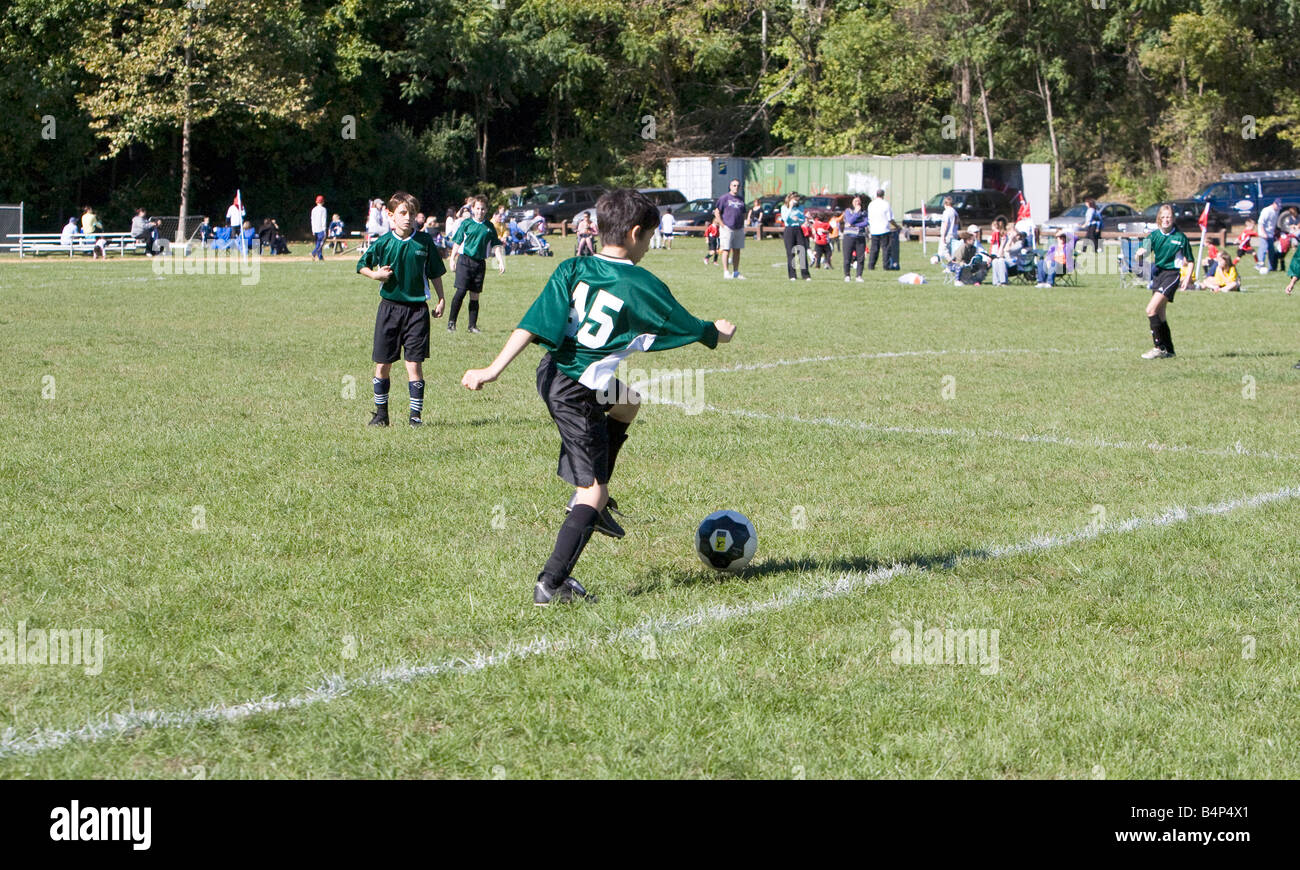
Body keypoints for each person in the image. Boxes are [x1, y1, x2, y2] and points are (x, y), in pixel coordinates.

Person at [460, 188, 736, 606]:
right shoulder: (642, 284)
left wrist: (492, 370)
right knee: (593, 491)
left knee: (628, 402)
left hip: (552, 372)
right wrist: (717, 330)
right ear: (635, 233)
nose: (647, 248)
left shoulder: (572, 267)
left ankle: (594, 502)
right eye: (648, 240)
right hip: (577, 390)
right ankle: (551, 583)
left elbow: (533, 323)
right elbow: (687, 325)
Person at [356, 191, 447, 427]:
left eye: (412, 213)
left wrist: (441, 298)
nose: (408, 218)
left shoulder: (425, 242)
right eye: (403, 213)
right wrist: (376, 274)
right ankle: (381, 415)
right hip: (389, 309)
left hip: (417, 311)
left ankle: (415, 418)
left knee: (414, 365)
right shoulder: (384, 242)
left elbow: (435, 273)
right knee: (383, 364)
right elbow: (361, 265)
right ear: (390, 215)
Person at [1136, 203, 1193, 360]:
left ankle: (1159, 347)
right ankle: (1169, 350)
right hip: (1159, 275)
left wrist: (1187, 278)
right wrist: (1140, 254)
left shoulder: (1180, 237)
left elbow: (1191, 260)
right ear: (1159, 219)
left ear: (1173, 219)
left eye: (1169, 217)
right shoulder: (1154, 235)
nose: (1166, 220)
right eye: (1163, 217)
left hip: (1172, 275)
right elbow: (1143, 252)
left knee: (1150, 310)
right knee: (1160, 313)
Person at [446, 195, 505, 334]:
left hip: (479, 263)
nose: (480, 211)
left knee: (475, 295)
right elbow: (457, 242)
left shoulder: (489, 227)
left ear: (487, 210)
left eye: (483, 209)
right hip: (465, 261)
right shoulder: (466, 224)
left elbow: (496, 246)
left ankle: (472, 326)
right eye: (477, 208)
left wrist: (500, 260)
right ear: (472, 209)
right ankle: (451, 323)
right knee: (460, 292)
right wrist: (452, 259)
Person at [714, 177, 747, 280]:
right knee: (726, 250)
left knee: (737, 250)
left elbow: (744, 213)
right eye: (734, 185)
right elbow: (717, 212)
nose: (736, 187)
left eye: (738, 186)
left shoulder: (741, 199)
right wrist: (722, 224)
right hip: (727, 227)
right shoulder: (724, 198)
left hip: (739, 228)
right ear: (730, 186)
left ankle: (736, 272)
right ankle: (726, 272)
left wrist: (744, 223)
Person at [780, 192, 810, 280]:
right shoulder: (784, 207)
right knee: (790, 253)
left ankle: (805, 275)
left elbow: (803, 220)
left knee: (801, 251)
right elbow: (785, 218)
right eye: (794, 199)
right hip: (789, 230)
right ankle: (792, 275)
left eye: (797, 199)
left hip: (798, 229)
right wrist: (790, 208)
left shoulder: (800, 207)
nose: (796, 201)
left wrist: (798, 219)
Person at [840, 195, 868, 282]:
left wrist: (855, 225)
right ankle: (847, 275)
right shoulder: (848, 211)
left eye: (859, 201)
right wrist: (856, 213)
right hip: (849, 236)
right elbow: (849, 220)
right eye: (855, 201)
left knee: (861, 257)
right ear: (852, 202)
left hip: (860, 237)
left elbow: (866, 223)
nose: (857, 203)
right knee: (847, 257)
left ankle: (859, 276)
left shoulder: (864, 212)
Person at [867, 189, 894, 271]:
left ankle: (871, 265)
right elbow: (890, 218)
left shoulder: (871, 204)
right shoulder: (886, 204)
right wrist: (896, 226)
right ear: (883, 195)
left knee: (874, 248)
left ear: (876, 195)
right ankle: (886, 266)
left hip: (874, 229)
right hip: (884, 229)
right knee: (885, 248)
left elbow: (869, 217)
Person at [1258, 198, 1281, 272]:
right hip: (1264, 233)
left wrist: (1275, 231)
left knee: (1271, 251)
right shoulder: (1266, 211)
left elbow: (1273, 222)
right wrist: (1263, 233)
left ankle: (1272, 267)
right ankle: (1260, 264)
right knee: (1263, 248)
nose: (1278, 208)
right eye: (1277, 206)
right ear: (1274, 203)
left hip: (1271, 233)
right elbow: (1261, 223)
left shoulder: (1277, 211)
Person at [938, 196, 959, 260]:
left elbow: (946, 224)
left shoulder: (946, 212)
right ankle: (951, 266)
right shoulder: (955, 212)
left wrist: (943, 235)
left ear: (945, 204)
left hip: (948, 234)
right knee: (951, 252)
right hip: (954, 234)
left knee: (944, 252)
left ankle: (952, 265)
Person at [310, 195, 327, 261]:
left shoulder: (313, 209)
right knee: (320, 243)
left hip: (315, 229)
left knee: (317, 243)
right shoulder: (323, 209)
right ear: (322, 202)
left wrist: (313, 229)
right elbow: (323, 219)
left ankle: (320, 257)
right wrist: (324, 228)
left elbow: (312, 220)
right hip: (321, 229)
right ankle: (313, 253)